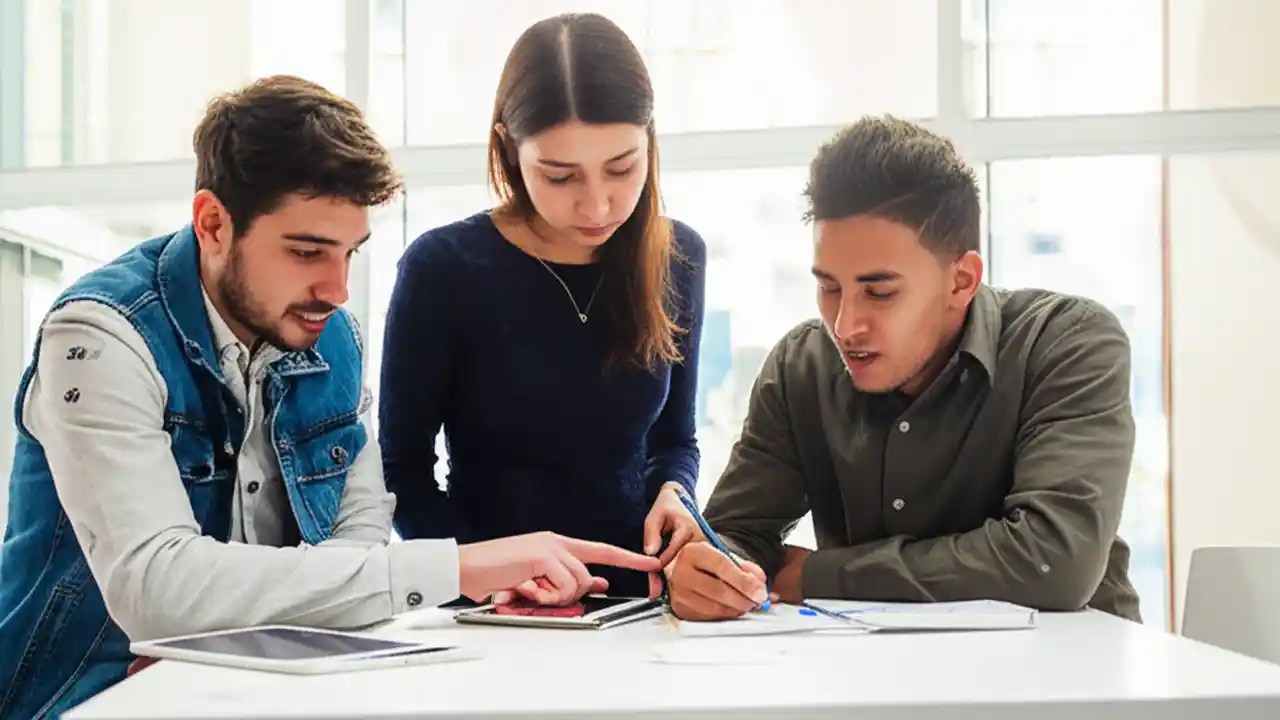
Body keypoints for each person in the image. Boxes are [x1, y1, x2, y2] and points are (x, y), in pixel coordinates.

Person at [0, 75, 659, 719]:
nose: (337, 289)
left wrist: (224, 633)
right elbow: (155, 587)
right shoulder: (100, 337)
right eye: (307, 250)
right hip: (84, 697)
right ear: (213, 224)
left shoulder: (328, 337)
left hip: (244, 688)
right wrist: (458, 567)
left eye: (349, 253)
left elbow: (359, 551)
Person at [665, 116, 1142, 623]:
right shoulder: (800, 368)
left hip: (1074, 686)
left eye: (880, 292)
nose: (846, 326)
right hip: (879, 686)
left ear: (961, 280)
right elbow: (736, 539)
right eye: (829, 287)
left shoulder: (1068, 345)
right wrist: (706, 573)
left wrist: (816, 576)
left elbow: (1054, 563)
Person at [379, 13, 706, 601]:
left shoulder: (678, 255)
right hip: (496, 610)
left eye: (623, 167)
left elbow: (674, 442)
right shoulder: (442, 269)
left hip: (638, 605)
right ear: (507, 148)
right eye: (560, 176)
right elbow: (402, 472)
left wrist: (674, 494)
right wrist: (486, 578)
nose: (598, 204)